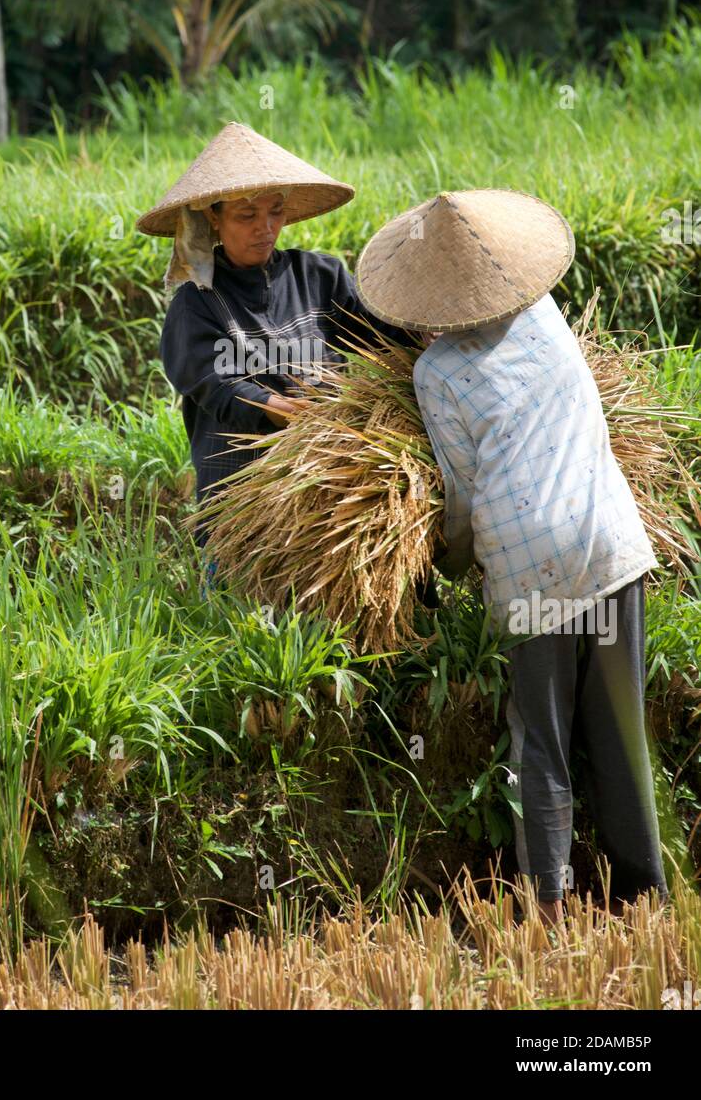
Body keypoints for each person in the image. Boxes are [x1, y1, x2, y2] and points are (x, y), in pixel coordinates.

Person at [355, 188, 669, 926]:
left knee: (542, 741)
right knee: (621, 734)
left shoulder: (435, 375)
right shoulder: (549, 316)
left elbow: (461, 494)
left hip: (531, 570)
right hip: (610, 546)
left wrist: (451, 562)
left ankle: (551, 907)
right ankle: (646, 898)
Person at [135, 122, 437, 604]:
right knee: (253, 634)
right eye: (246, 214)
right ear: (213, 219)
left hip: (324, 486)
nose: (265, 227)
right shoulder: (197, 303)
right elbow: (211, 382)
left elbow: (379, 337)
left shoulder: (319, 275)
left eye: (275, 212)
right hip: (243, 497)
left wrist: (428, 333)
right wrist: (281, 407)